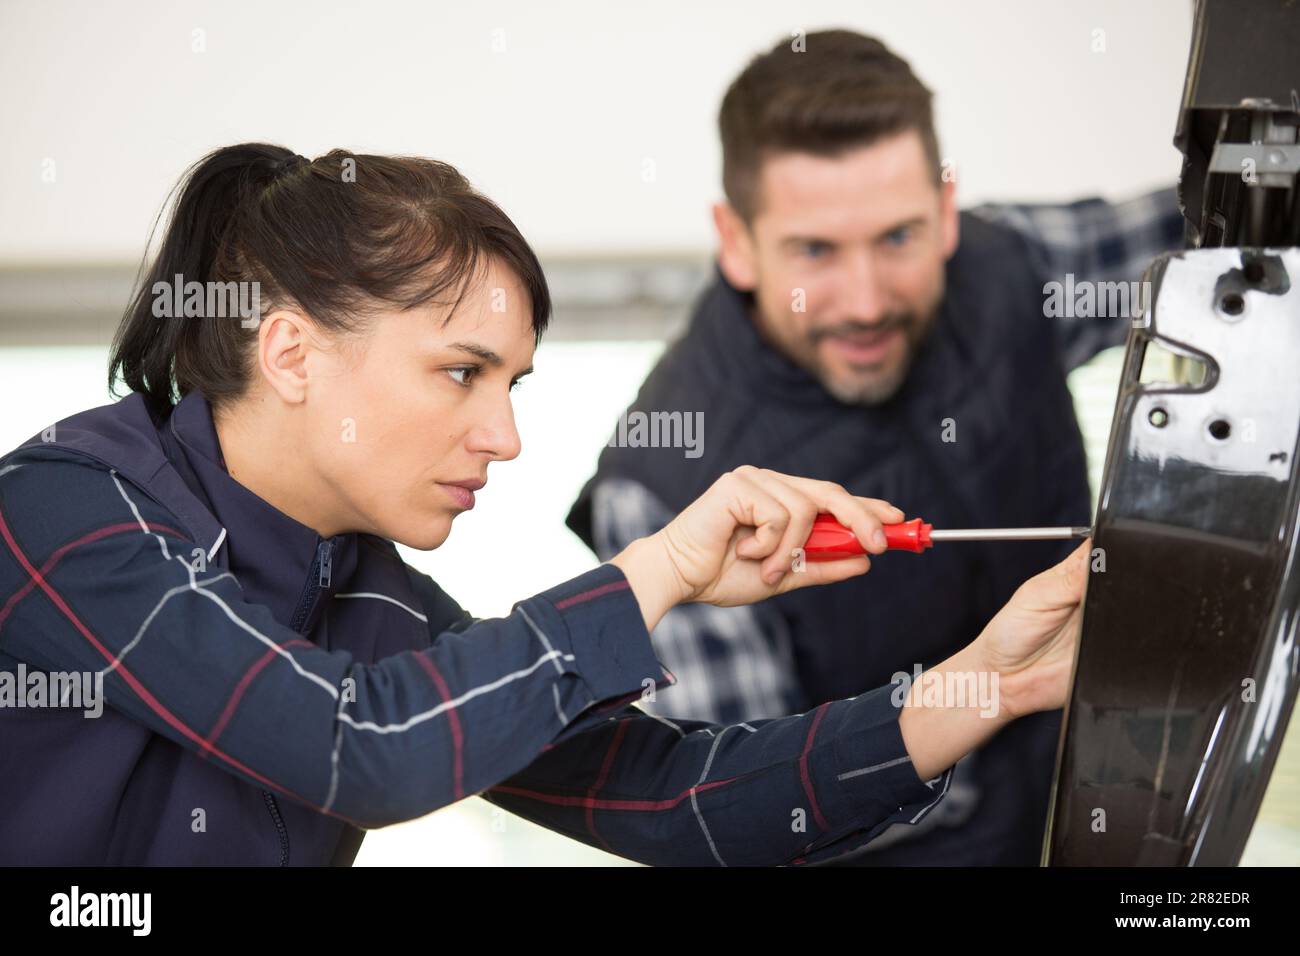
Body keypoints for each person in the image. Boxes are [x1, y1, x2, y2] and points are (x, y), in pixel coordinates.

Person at [0, 143, 1087, 867]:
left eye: (511, 386)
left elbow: (671, 793)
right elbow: (363, 745)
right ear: (290, 350)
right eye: (461, 372)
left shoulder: (372, 597)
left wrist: (986, 681)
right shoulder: (65, 512)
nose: (504, 437)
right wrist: (657, 569)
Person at [566, 29, 1186, 865]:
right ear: (737, 240)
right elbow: (747, 818)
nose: (865, 302)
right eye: (815, 251)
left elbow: (1212, 236)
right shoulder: (663, 492)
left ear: (944, 209)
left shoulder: (1013, 269)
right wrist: (981, 716)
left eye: (899, 237)